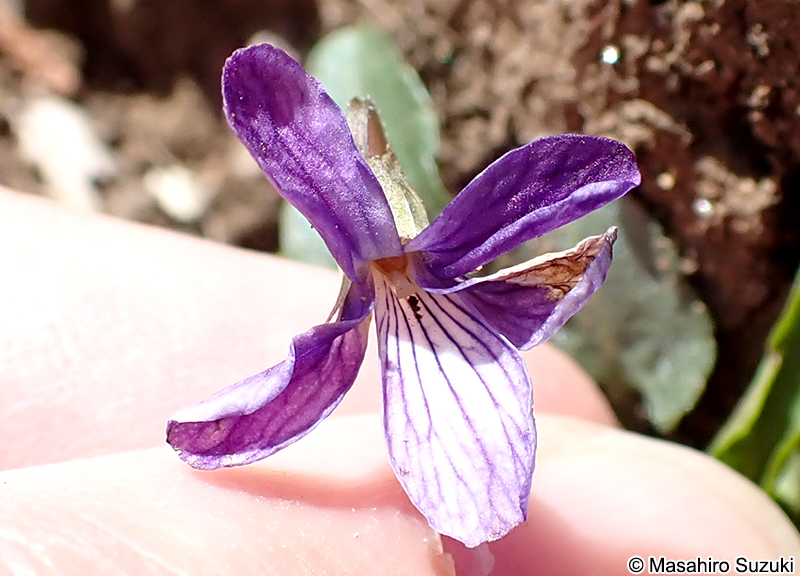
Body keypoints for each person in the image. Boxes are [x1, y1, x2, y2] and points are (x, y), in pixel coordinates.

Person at [0, 186, 797, 575]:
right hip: (439, 293)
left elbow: (592, 181)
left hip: (437, 289)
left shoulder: (378, 309)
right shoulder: (365, 319)